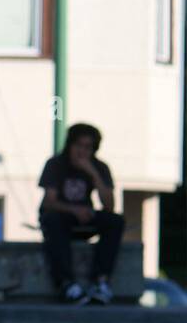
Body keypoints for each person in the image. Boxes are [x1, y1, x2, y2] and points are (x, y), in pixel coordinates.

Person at [38, 123, 124, 305]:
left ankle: (101, 281)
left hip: (85, 217)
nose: (82, 151)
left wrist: (93, 173)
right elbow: (49, 202)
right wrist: (73, 209)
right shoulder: (56, 164)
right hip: (61, 216)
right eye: (78, 145)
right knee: (52, 220)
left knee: (115, 222)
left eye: (87, 147)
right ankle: (66, 283)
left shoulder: (99, 167)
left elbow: (109, 205)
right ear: (70, 144)